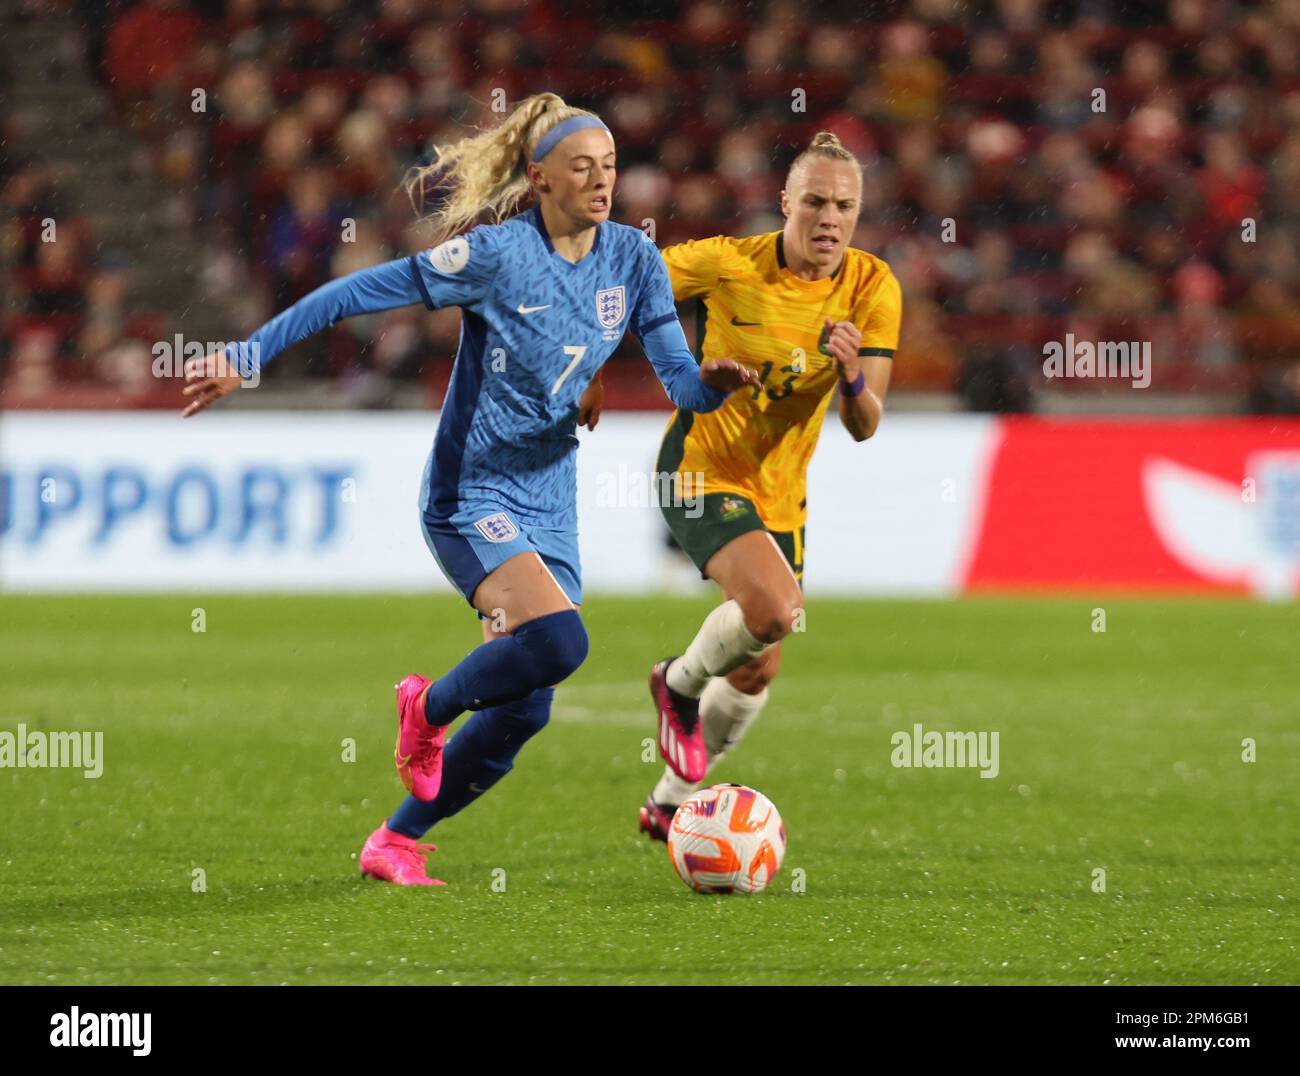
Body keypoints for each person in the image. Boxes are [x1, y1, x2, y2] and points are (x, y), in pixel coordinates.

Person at [181, 92, 756, 884]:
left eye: (612, 166)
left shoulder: (635, 260)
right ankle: (426, 708)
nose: (602, 180)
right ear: (539, 177)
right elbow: (357, 293)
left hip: (548, 502)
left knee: (528, 704)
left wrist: (709, 385)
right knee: (562, 644)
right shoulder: (493, 256)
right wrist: (249, 356)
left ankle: (395, 840)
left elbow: (678, 385)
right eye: (582, 167)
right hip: (470, 496)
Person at [639, 132, 903, 838]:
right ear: (785, 202)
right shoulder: (726, 263)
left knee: (757, 670)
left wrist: (850, 374)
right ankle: (678, 684)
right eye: (814, 201)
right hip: (701, 465)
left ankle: (667, 801)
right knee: (777, 610)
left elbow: (865, 423)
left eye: (844, 206)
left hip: (780, 491)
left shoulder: (874, 287)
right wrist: (594, 370)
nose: (828, 218)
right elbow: (624, 285)